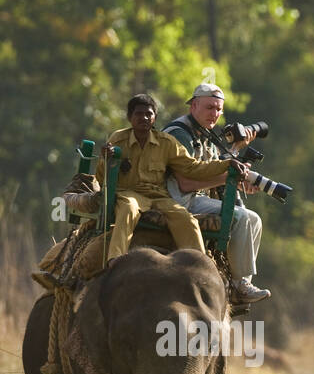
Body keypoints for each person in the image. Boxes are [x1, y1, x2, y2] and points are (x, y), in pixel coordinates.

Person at [97, 94, 248, 265]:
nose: (144, 118)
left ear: (155, 118)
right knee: (128, 209)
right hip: (129, 193)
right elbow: (101, 177)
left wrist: (227, 164)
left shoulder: (166, 142)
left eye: (149, 114)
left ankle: (200, 265)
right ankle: (115, 260)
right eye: (139, 114)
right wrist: (106, 159)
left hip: (159, 196)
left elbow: (193, 167)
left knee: (185, 218)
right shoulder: (118, 139)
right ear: (130, 117)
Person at [163, 83, 270, 303]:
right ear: (194, 105)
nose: (215, 114)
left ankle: (241, 281)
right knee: (240, 217)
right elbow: (184, 183)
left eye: (219, 109)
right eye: (210, 107)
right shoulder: (180, 134)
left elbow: (212, 171)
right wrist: (228, 178)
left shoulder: (205, 133)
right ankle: (240, 285)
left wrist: (240, 182)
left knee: (255, 219)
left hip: (192, 198)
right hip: (174, 199)